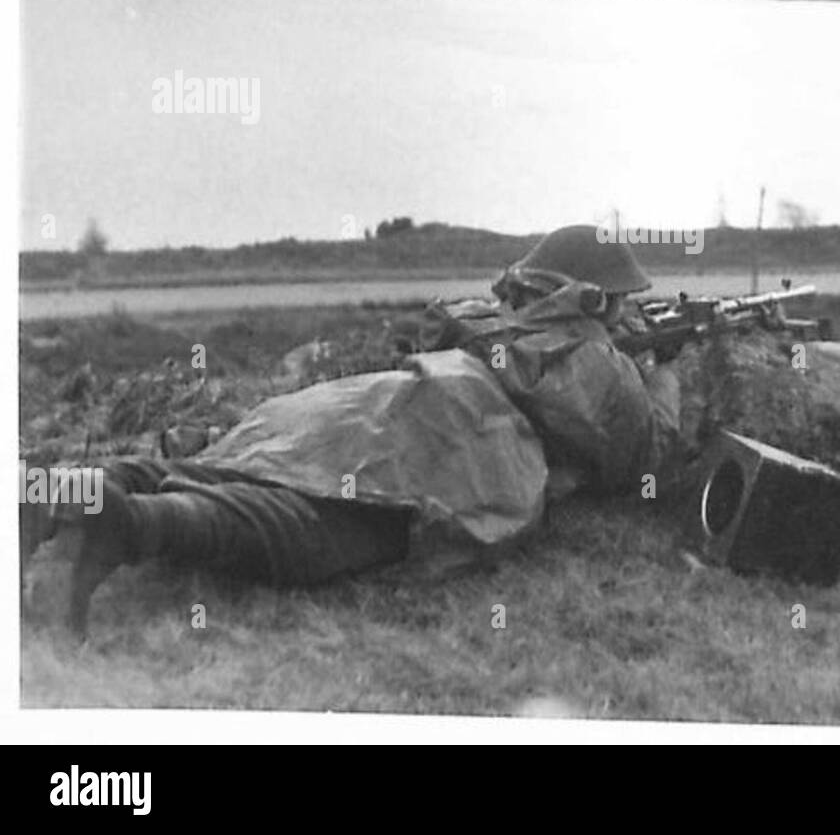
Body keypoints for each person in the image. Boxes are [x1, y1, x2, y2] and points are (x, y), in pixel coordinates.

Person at [30, 226, 681, 636]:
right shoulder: (587, 359)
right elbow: (641, 453)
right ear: (593, 300)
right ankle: (125, 526)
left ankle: (75, 489)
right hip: (449, 450)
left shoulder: (489, 321)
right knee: (312, 528)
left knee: (239, 461)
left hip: (357, 406)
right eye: (620, 301)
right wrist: (660, 370)